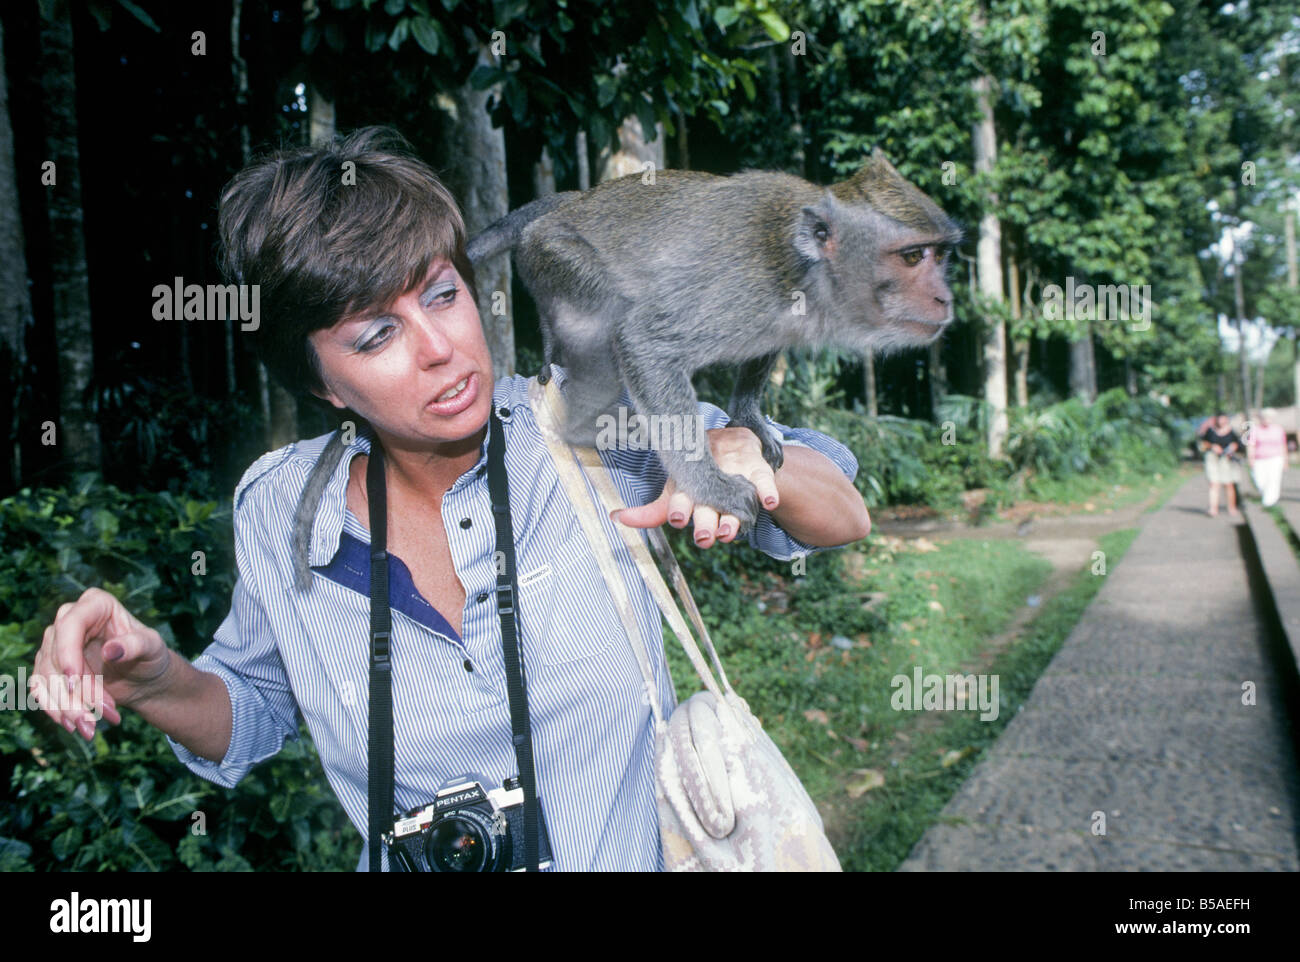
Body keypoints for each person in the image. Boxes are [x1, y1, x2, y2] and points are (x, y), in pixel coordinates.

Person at [28, 128, 871, 872]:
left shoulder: (598, 427)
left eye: (441, 294)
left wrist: (745, 455)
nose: (440, 349)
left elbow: (839, 511)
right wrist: (145, 675)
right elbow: (246, 709)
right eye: (376, 335)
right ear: (321, 383)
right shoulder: (281, 508)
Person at [1198, 411, 1243, 518]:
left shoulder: (1232, 432)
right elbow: (1202, 444)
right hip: (1212, 459)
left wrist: (1233, 447)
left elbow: (1240, 445)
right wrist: (1212, 446)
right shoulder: (1210, 431)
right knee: (1214, 484)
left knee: (1228, 484)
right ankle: (1213, 508)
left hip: (1226, 460)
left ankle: (1232, 508)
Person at [1247, 407, 1287, 507]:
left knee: (1274, 479)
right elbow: (1251, 445)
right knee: (1259, 480)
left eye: (1269, 418)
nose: (1267, 420)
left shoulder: (1279, 429)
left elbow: (1283, 445)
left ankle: (1270, 502)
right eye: (1265, 418)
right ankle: (1267, 497)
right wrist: (1250, 459)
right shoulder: (1255, 430)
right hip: (1259, 459)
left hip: (1275, 458)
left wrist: (1286, 460)